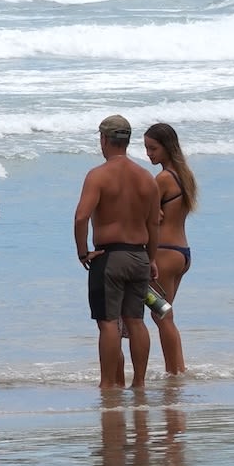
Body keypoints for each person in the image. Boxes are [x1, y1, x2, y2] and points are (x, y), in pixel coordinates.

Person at [74, 114, 162, 390]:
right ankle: (139, 383)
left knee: (109, 323)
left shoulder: (98, 175)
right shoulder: (147, 178)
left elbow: (80, 218)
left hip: (109, 257)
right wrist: (152, 258)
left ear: (104, 140)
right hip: (139, 255)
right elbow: (153, 224)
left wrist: (82, 252)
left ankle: (108, 383)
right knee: (136, 320)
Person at [143, 121, 198, 376]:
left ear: (166, 147)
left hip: (163, 252)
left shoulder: (163, 178)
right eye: (146, 148)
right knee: (165, 314)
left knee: (161, 316)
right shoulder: (184, 175)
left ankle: (174, 372)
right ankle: (178, 370)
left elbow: (144, 213)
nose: (148, 154)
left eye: (153, 148)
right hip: (182, 253)